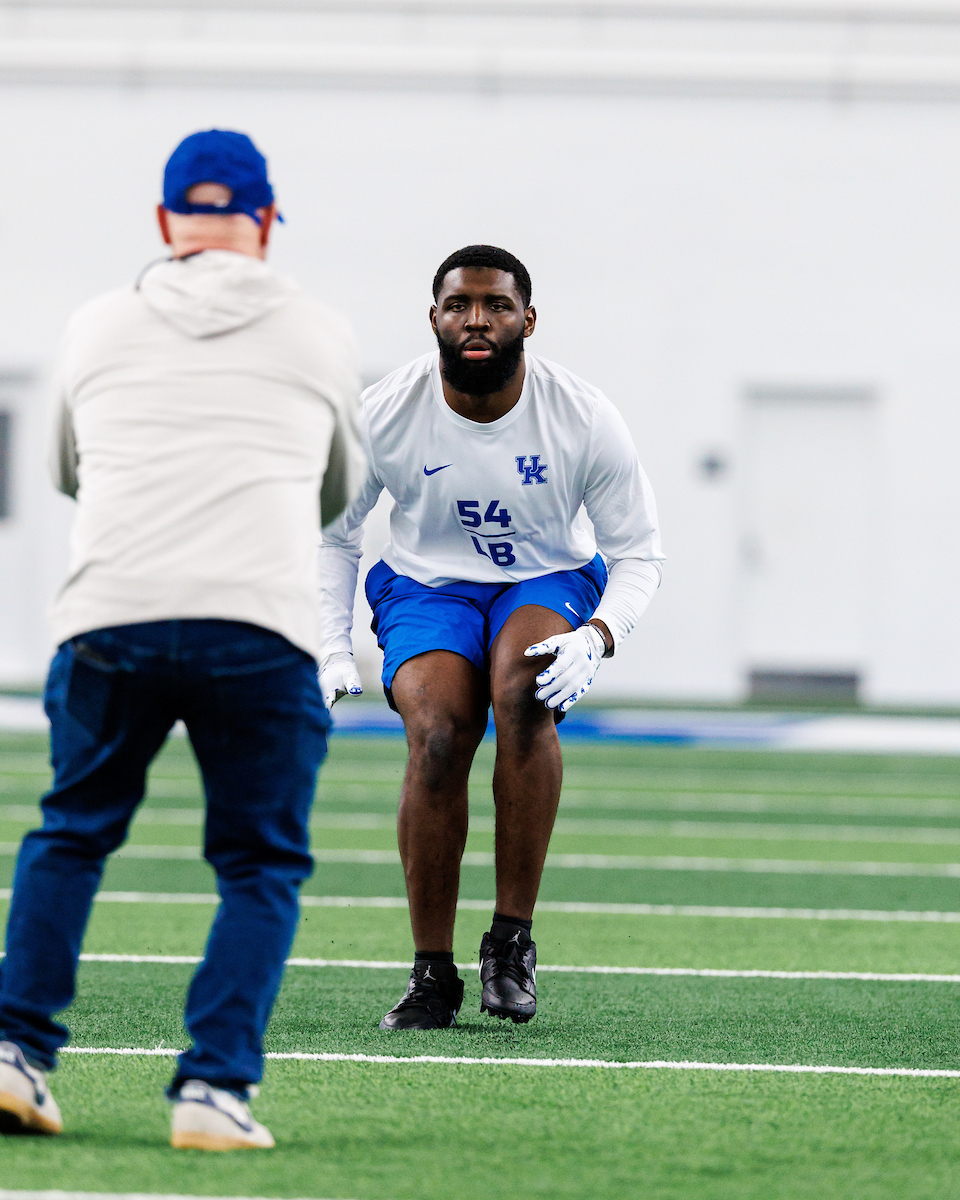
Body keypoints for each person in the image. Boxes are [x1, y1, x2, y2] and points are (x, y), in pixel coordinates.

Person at [0, 129, 362, 1149]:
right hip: (258, 620)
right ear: (266, 221)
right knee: (259, 865)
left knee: (72, 833)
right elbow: (335, 489)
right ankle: (213, 1090)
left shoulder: (96, 324)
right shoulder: (320, 331)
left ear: (166, 221)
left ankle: (15, 1054)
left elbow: (67, 470)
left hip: (110, 611)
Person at [318, 244, 663, 1031]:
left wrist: (598, 635)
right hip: (426, 584)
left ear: (528, 320)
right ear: (434, 318)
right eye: (460, 305)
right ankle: (431, 971)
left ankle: (510, 945)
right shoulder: (382, 412)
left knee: (523, 690)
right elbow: (333, 533)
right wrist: (331, 646)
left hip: (545, 577)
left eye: (497, 305)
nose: (477, 320)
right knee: (439, 732)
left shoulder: (582, 415)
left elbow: (641, 552)